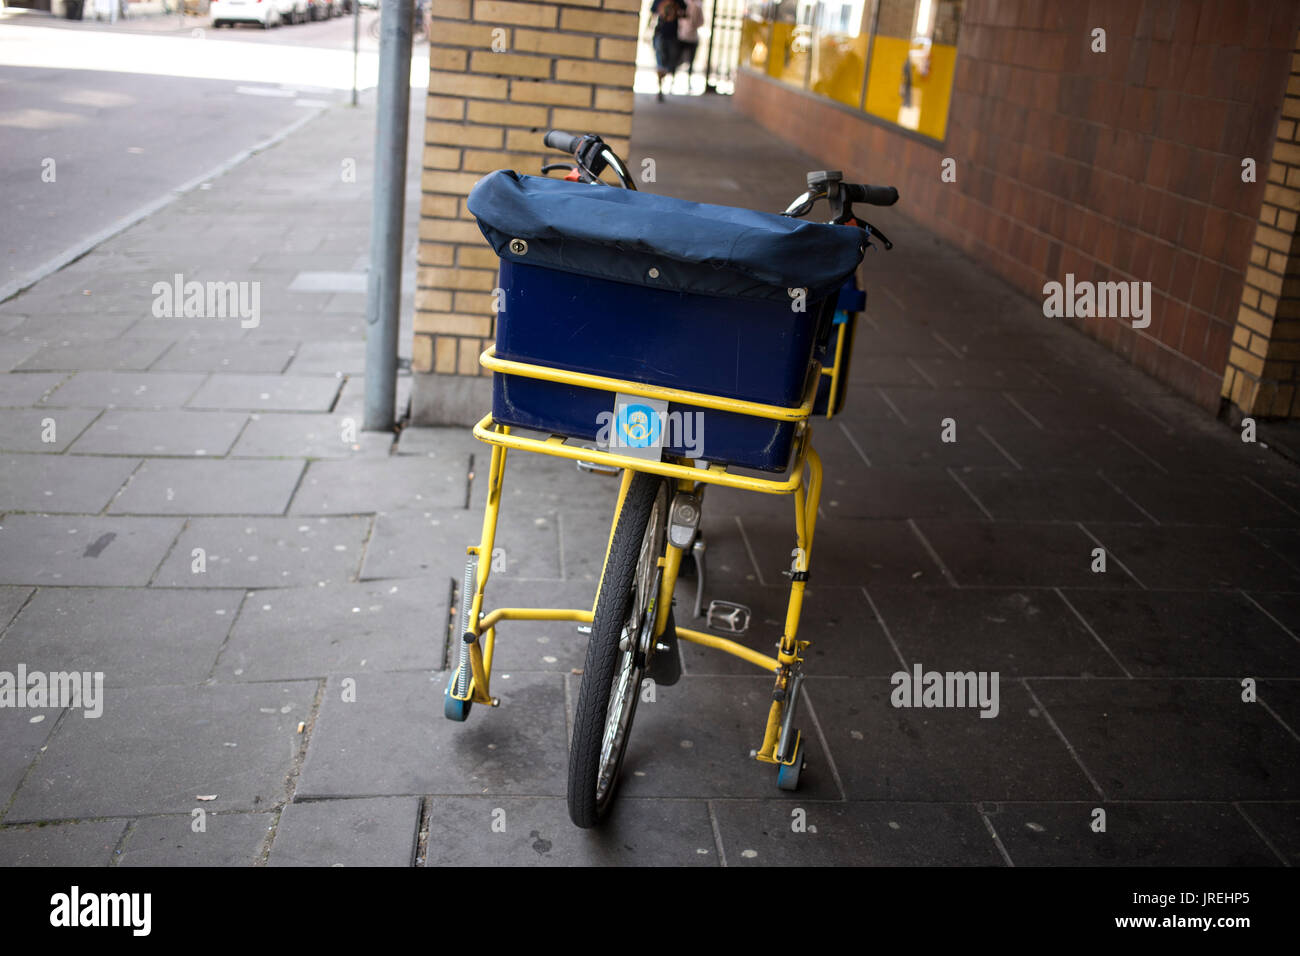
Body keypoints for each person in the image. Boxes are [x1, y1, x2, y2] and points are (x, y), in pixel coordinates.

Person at [651, 0, 686, 102]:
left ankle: (664, 84)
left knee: (669, 63)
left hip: (672, 36)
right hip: (661, 34)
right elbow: (653, 12)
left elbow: (684, 13)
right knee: (661, 63)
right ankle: (660, 88)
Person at [675, 0, 704, 91]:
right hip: (685, 36)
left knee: (688, 61)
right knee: (680, 60)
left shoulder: (696, 6)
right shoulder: (684, 4)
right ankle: (675, 80)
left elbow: (701, 22)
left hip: (688, 37)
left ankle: (679, 81)